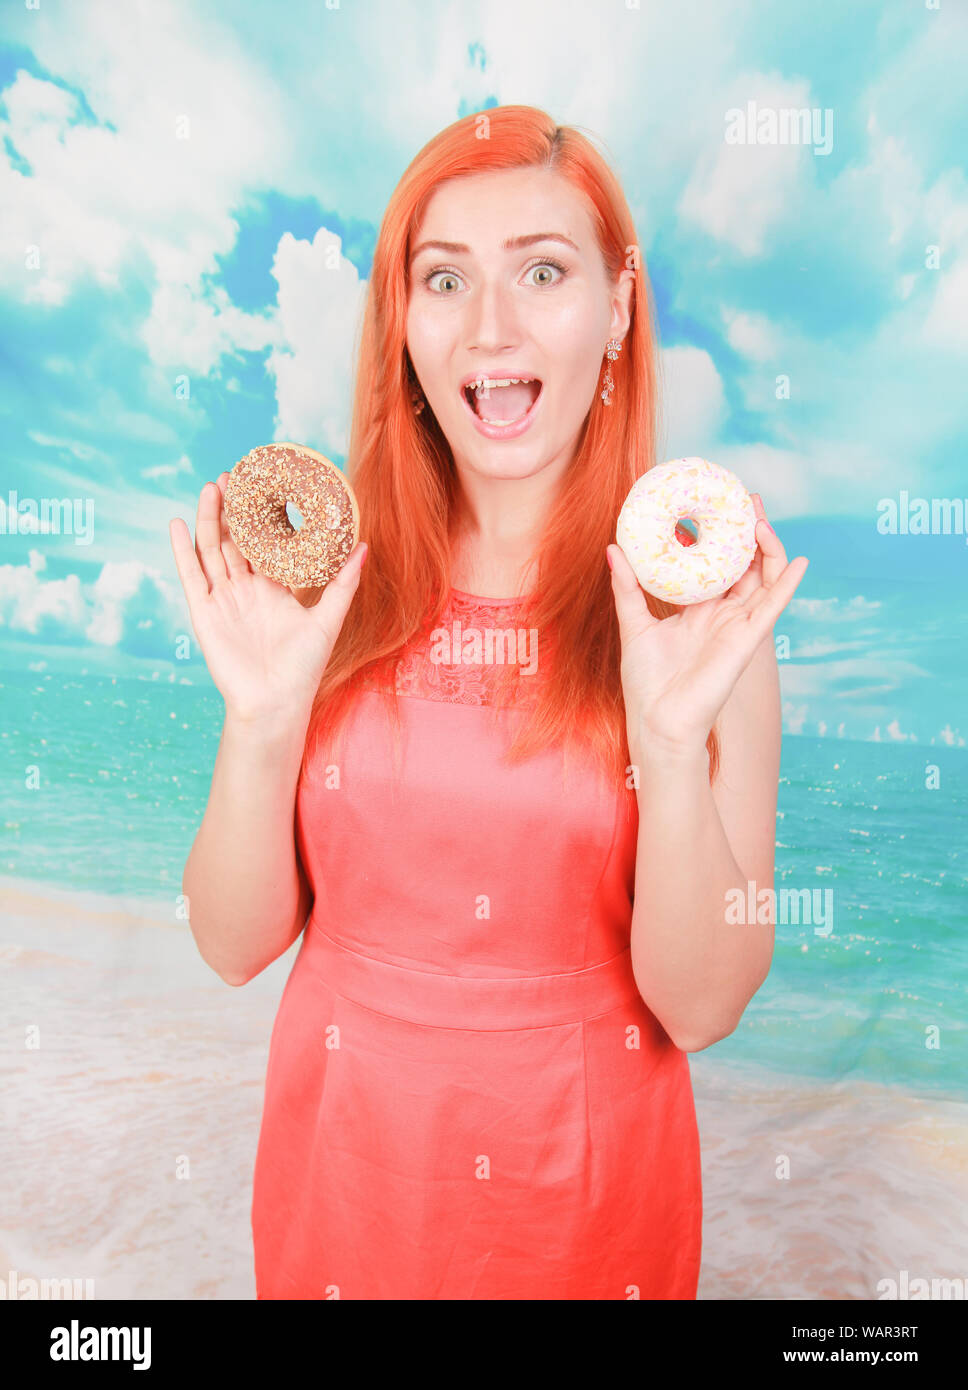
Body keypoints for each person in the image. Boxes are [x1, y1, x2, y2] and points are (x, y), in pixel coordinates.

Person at [169, 105, 808, 1300]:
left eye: (544, 273)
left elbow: (705, 1002)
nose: (491, 330)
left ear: (617, 307)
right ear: (399, 322)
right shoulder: (322, 589)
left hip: (583, 1219)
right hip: (339, 1197)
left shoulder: (703, 623)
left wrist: (666, 750)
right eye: (444, 279)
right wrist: (259, 729)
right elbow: (231, 942)